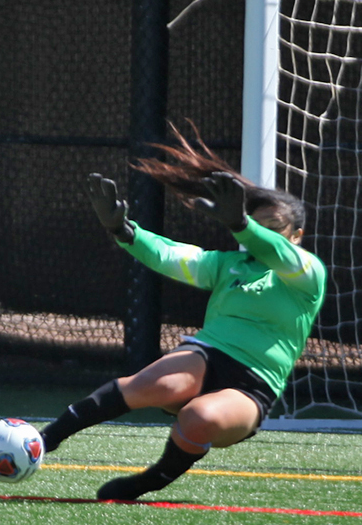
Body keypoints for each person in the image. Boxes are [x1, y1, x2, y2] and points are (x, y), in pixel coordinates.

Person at [39, 130, 326, 501]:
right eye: (256, 225)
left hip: (253, 385)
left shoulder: (307, 274)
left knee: (200, 418)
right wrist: (124, 230)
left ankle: (152, 479)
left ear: (297, 235)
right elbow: (171, 255)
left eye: (275, 229)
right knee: (150, 386)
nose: (261, 235)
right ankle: (46, 439)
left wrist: (244, 224)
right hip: (207, 354)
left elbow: (277, 253)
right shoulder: (227, 264)